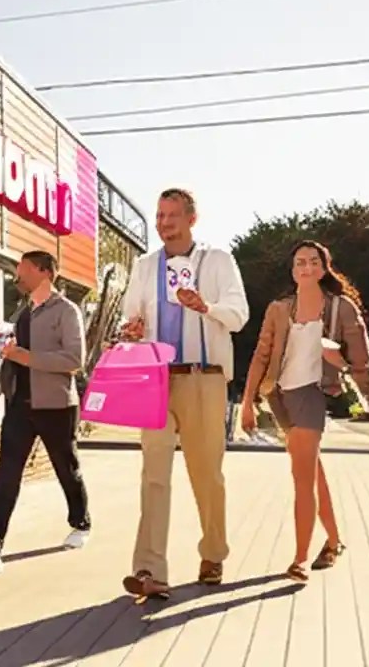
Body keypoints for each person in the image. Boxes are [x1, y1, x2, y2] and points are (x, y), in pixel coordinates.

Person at [117, 187, 249, 600]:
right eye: (159, 215)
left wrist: (205, 307)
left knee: (206, 473)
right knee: (153, 475)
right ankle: (149, 568)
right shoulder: (145, 266)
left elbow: (240, 316)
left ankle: (213, 553)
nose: (163, 223)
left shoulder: (218, 260)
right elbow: (129, 314)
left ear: (192, 219)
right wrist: (131, 328)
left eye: (172, 215)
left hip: (204, 377)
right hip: (154, 377)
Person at [240, 240, 369, 582]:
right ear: (293, 270)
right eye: (300, 262)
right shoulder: (278, 309)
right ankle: (334, 541)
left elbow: (359, 362)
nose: (307, 268)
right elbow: (261, 355)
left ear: (324, 267)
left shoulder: (341, 309)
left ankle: (299, 559)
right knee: (312, 471)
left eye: (314, 262)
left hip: (312, 394)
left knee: (301, 478)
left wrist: (344, 369)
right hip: (279, 395)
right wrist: (248, 402)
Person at [0, 250, 90, 572]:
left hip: (56, 406)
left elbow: (75, 360)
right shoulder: (21, 312)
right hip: (19, 405)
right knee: (7, 474)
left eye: (23, 269)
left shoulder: (66, 311)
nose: (18, 275)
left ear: (43, 271)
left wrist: (26, 357)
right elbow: (14, 356)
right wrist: (8, 360)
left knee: (67, 469)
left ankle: (81, 522)